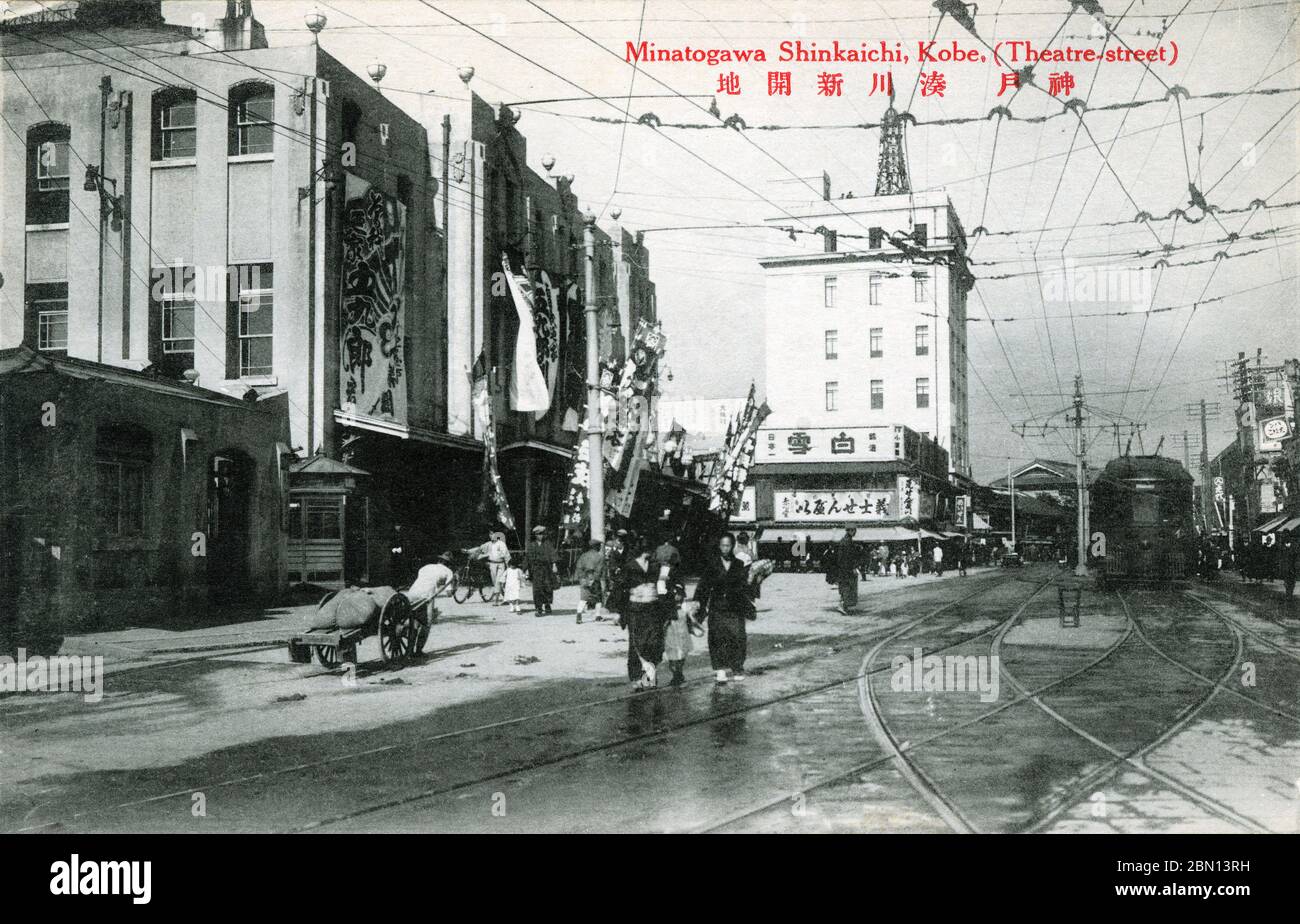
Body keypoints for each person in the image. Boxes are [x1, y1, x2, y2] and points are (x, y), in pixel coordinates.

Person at [694, 533, 754, 683]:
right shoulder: (712, 564)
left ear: (732, 546)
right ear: (719, 546)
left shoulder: (739, 564)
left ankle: (737, 667)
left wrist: (754, 583)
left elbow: (744, 586)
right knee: (717, 638)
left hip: (735, 607)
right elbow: (703, 587)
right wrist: (698, 603)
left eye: (728, 545)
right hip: (717, 607)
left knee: (738, 636)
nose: (725, 549)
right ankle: (720, 669)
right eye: (722, 545)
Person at [612, 536, 670, 689]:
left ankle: (649, 675)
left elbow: (664, 584)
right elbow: (619, 588)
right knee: (636, 643)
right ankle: (636, 677)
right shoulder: (630, 566)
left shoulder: (655, 566)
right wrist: (617, 611)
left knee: (653, 642)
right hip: (635, 609)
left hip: (652, 608)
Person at [525, 525, 559, 616]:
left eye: (542, 534)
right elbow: (528, 558)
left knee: (547, 587)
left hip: (547, 569)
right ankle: (538, 608)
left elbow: (553, 554)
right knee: (537, 589)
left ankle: (547, 605)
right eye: (539, 534)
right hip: (536, 570)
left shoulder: (548, 544)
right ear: (535, 535)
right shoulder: (532, 545)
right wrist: (527, 570)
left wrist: (554, 565)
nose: (541, 536)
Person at [574, 540, 607, 624]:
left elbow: (579, 567)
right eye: (599, 546)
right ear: (596, 547)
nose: (600, 547)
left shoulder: (583, 556)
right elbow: (599, 570)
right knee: (598, 598)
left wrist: (582, 578)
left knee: (584, 598)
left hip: (584, 578)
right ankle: (597, 616)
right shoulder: (599, 557)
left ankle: (579, 616)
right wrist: (594, 579)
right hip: (594, 579)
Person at [832, 528, 859, 612]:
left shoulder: (845, 540)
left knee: (845, 586)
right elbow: (848, 557)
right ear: (849, 531)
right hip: (846, 569)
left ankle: (843, 604)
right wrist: (853, 568)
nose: (854, 532)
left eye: (855, 530)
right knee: (847, 586)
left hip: (843, 568)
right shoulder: (847, 542)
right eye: (853, 530)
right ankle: (842, 605)